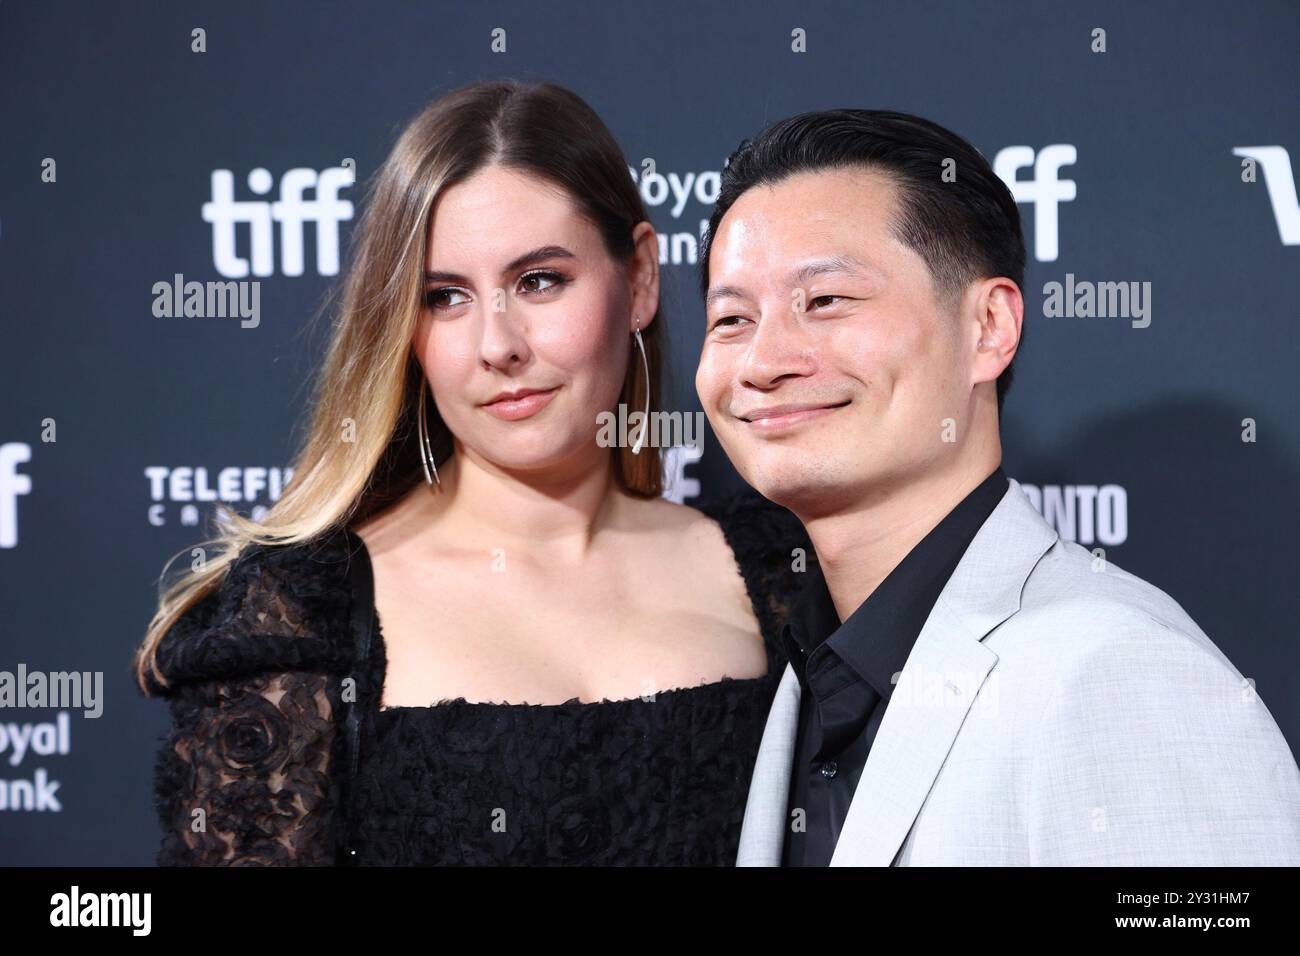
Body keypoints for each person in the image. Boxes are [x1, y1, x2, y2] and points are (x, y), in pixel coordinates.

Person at [133, 79, 811, 866]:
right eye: (446, 297)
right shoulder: (304, 612)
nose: (499, 343)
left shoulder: (775, 570)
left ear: (641, 279)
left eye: (539, 281)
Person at [694, 108, 1300, 865]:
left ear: (989, 327)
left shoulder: (1123, 676)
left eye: (825, 301)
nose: (763, 360)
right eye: (730, 318)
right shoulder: (799, 674)